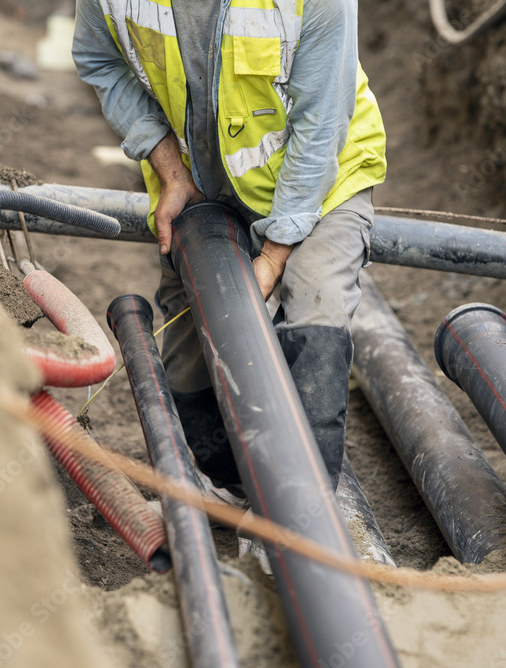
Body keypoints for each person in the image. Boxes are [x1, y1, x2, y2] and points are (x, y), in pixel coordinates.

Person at [73, 0, 386, 497]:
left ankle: (304, 510)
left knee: (317, 308)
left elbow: (321, 123)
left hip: (324, 176)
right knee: (189, 353)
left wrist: (275, 256)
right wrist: (170, 170)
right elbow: (99, 59)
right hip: (199, 178)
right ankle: (231, 486)